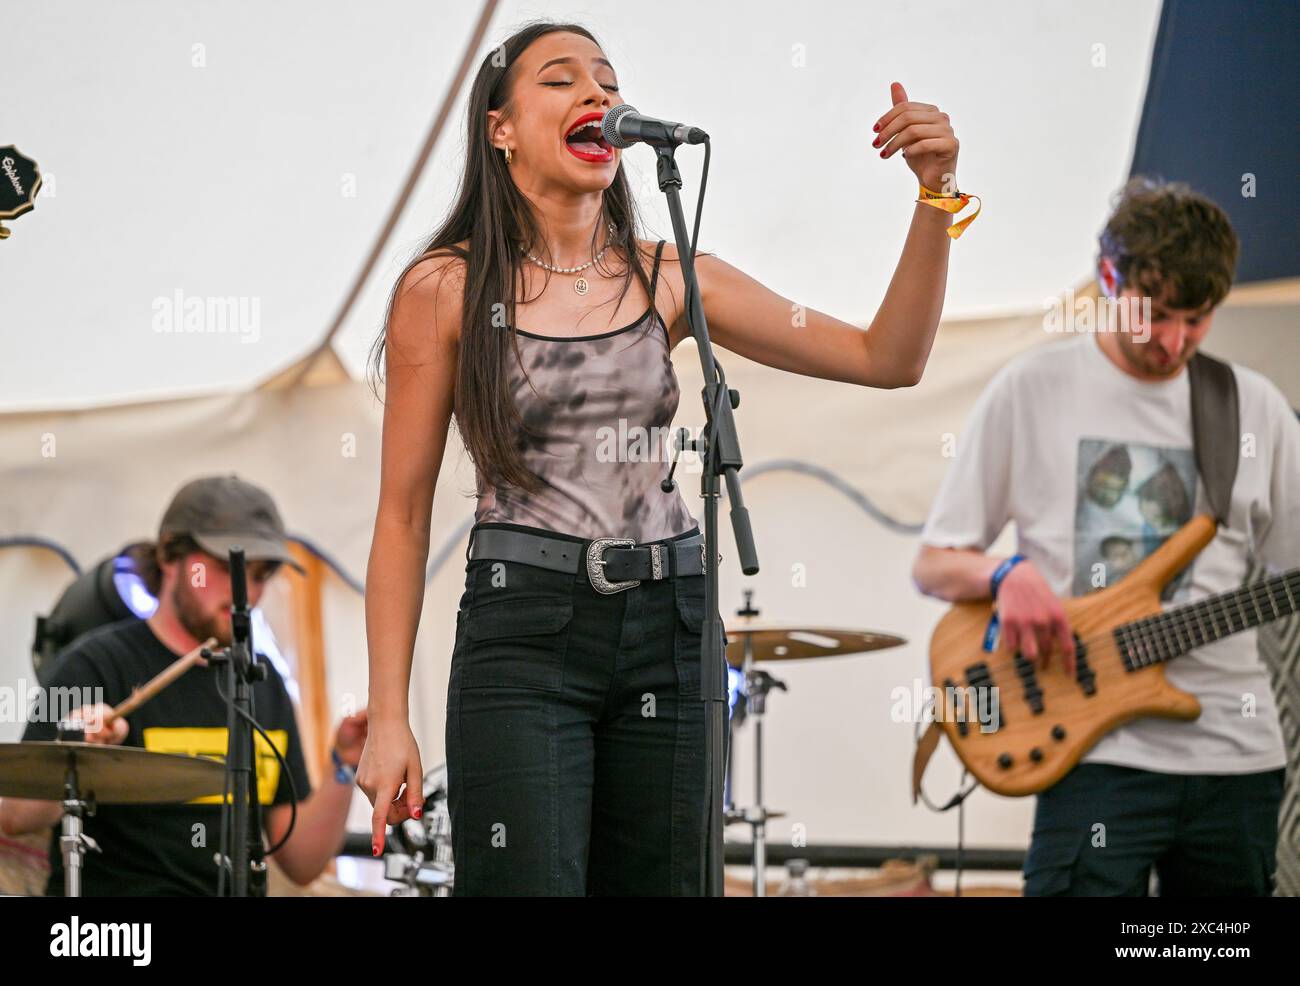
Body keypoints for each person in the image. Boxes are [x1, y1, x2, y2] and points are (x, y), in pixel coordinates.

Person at [361, 19, 967, 896]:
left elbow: (889, 358)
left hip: (670, 624)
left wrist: (936, 196)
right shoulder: (445, 288)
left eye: (607, 81)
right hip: (523, 629)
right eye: (562, 80)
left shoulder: (672, 274)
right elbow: (401, 513)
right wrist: (389, 718)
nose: (598, 97)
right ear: (499, 128)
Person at [912, 177, 1299, 896]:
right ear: (1110, 277)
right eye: (1155, 315)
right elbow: (935, 563)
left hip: (1235, 758)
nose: (1174, 342)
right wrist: (1004, 576)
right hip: (1091, 752)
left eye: (1198, 319)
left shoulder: (1255, 408)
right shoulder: (1033, 389)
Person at [0, 474, 368, 896]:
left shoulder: (260, 681)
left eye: (261, 573)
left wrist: (344, 762)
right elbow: (16, 816)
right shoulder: (95, 665)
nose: (247, 591)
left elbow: (302, 863)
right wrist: (79, 752)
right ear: (170, 555)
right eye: (225, 567)